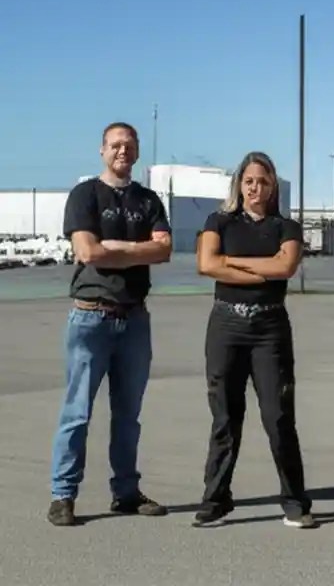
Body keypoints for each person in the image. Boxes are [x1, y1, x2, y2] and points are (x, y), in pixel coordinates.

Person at [48, 122, 172, 526]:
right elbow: (87, 252)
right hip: (91, 317)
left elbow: (164, 250)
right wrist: (138, 250)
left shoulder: (148, 200)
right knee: (77, 412)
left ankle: (126, 492)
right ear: (102, 150)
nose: (123, 151)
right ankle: (63, 495)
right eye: (116, 145)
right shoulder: (85, 195)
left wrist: (117, 247)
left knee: (128, 415)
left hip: (134, 320)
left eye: (129, 145)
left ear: (137, 152)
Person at [192, 151, 314, 528]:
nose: (255, 188)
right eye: (249, 181)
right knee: (225, 416)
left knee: (278, 417)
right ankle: (216, 499)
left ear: (272, 185)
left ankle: (294, 500)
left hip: (269, 329)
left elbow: (286, 266)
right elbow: (207, 264)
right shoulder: (219, 221)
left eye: (262, 181)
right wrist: (263, 271)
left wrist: (232, 263)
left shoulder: (286, 227)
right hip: (226, 325)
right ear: (239, 185)